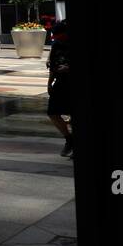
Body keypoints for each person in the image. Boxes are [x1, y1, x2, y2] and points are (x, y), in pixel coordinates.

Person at [46, 21, 73, 158]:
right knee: (52, 112)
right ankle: (69, 139)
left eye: (59, 36)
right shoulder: (56, 44)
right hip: (60, 82)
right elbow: (52, 65)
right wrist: (49, 83)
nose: (57, 39)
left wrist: (68, 68)